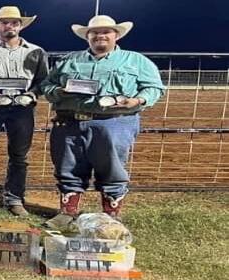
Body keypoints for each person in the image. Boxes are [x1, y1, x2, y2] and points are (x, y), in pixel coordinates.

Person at [40, 15, 164, 227]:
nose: (100, 36)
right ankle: (67, 213)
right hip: (69, 122)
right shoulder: (70, 60)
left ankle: (110, 217)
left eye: (106, 32)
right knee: (67, 167)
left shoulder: (136, 60)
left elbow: (154, 88)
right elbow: (46, 86)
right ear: (87, 36)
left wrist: (136, 100)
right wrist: (59, 91)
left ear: (116, 35)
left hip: (114, 122)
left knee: (112, 168)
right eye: (95, 33)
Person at [0, 6, 49, 216]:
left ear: (21, 26)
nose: (9, 26)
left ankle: (15, 199)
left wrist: (32, 94)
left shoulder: (37, 52)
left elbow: (43, 81)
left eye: (14, 22)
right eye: (4, 22)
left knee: (19, 156)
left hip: (22, 109)